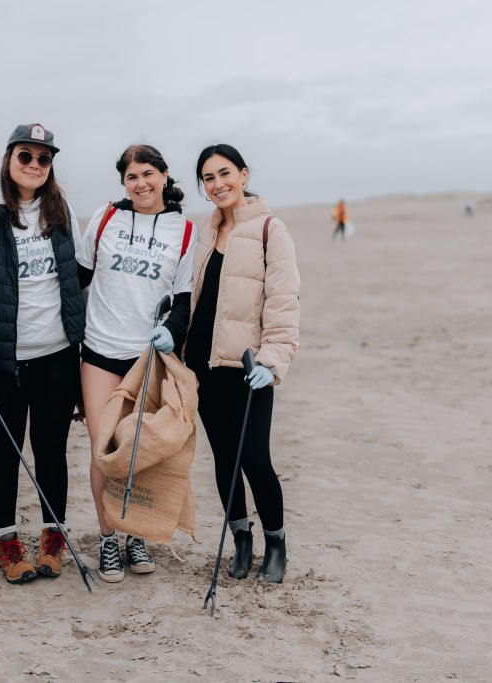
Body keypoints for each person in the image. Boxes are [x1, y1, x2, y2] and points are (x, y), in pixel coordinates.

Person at [0, 123, 85, 584]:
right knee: (4, 452)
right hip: (3, 361)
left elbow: (74, 280)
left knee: (52, 449)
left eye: (43, 159)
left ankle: (53, 536)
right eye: (25, 156)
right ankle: (8, 542)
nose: (34, 165)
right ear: (9, 159)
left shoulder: (59, 210)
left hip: (57, 355)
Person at [76, 144, 197, 583]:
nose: (141, 183)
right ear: (123, 183)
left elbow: (183, 300)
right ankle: (108, 538)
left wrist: (173, 333)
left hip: (147, 357)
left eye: (148, 173)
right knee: (104, 449)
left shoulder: (184, 230)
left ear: (164, 175)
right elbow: (79, 278)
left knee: (138, 452)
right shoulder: (107, 216)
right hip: (99, 352)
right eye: (132, 177)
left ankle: (135, 535)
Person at [184, 143, 300, 583]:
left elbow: (284, 305)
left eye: (225, 173)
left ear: (244, 175)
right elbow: (194, 300)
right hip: (203, 367)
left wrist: (271, 361)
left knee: (255, 459)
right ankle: (241, 541)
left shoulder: (271, 229)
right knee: (225, 458)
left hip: (249, 370)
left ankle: (276, 545)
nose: (218, 184)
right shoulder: (205, 233)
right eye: (209, 178)